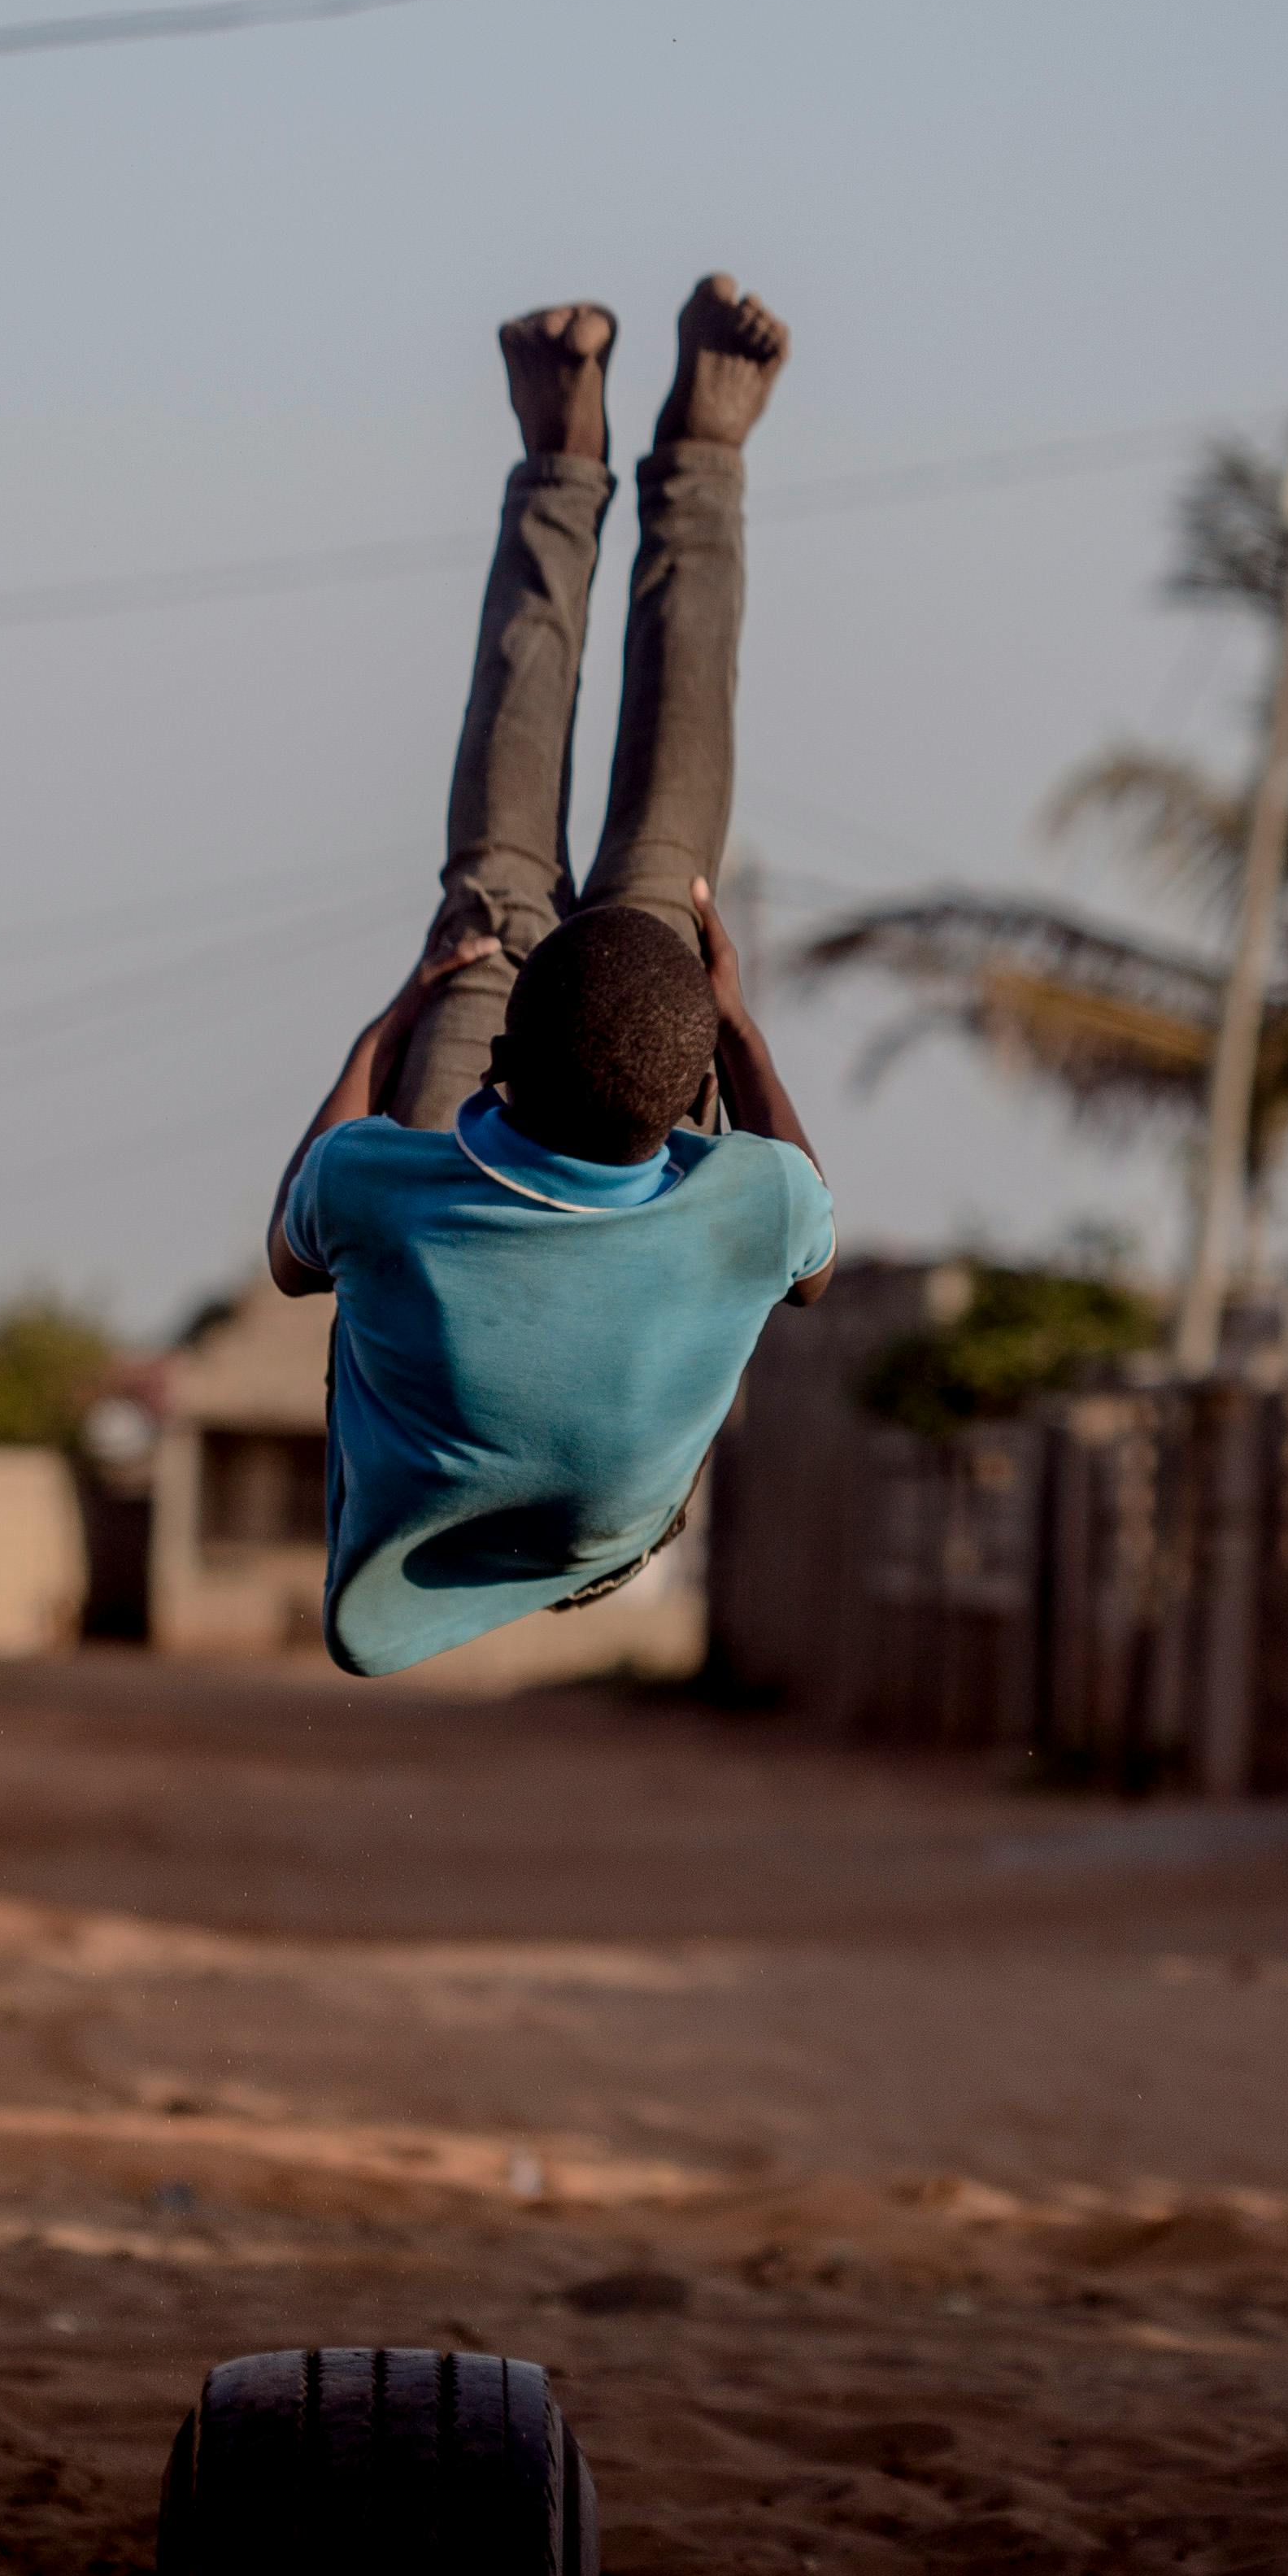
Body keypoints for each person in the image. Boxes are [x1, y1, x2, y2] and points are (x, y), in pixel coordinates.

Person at [268, 276, 836, 1677]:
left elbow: (812, 1244)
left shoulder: (747, 1207)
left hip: (606, 1088)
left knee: (666, 863)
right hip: (600, 1537)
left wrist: (733, 1012)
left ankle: (703, 455)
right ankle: (561, 451)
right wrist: (405, 1009)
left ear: (500, 1075)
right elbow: (296, 1236)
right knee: (498, 885)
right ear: (679, 1103)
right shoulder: (383, 1189)